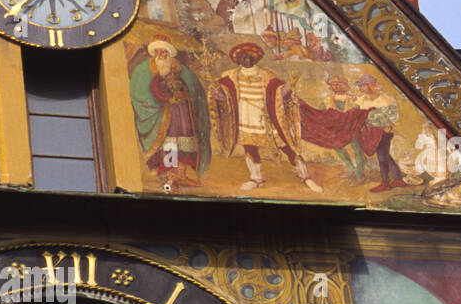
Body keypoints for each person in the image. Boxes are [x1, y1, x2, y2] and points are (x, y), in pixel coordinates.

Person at [213, 42, 321, 192]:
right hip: (244, 116)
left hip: (267, 116)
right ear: (238, 60)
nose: (248, 60)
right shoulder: (230, 76)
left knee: (287, 146)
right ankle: (256, 178)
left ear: (256, 59)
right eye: (244, 57)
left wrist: (289, 87)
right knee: (250, 147)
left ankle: (305, 176)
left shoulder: (266, 74)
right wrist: (218, 96)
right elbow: (224, 96)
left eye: (251, 57)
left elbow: (278, 90)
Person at [130, 40, 210, 186]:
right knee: (170, 144)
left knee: (184, 143)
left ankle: (181, 173)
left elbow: (193, 90)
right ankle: (169, 175)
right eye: (157, 52)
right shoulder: (149, 73)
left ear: (169, 54)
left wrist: (183, 95)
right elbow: (152, 90)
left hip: (183, 113)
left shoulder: (182, 70)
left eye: (163, 52)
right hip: (168, 115)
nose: (160, 55)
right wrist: (168, 99)